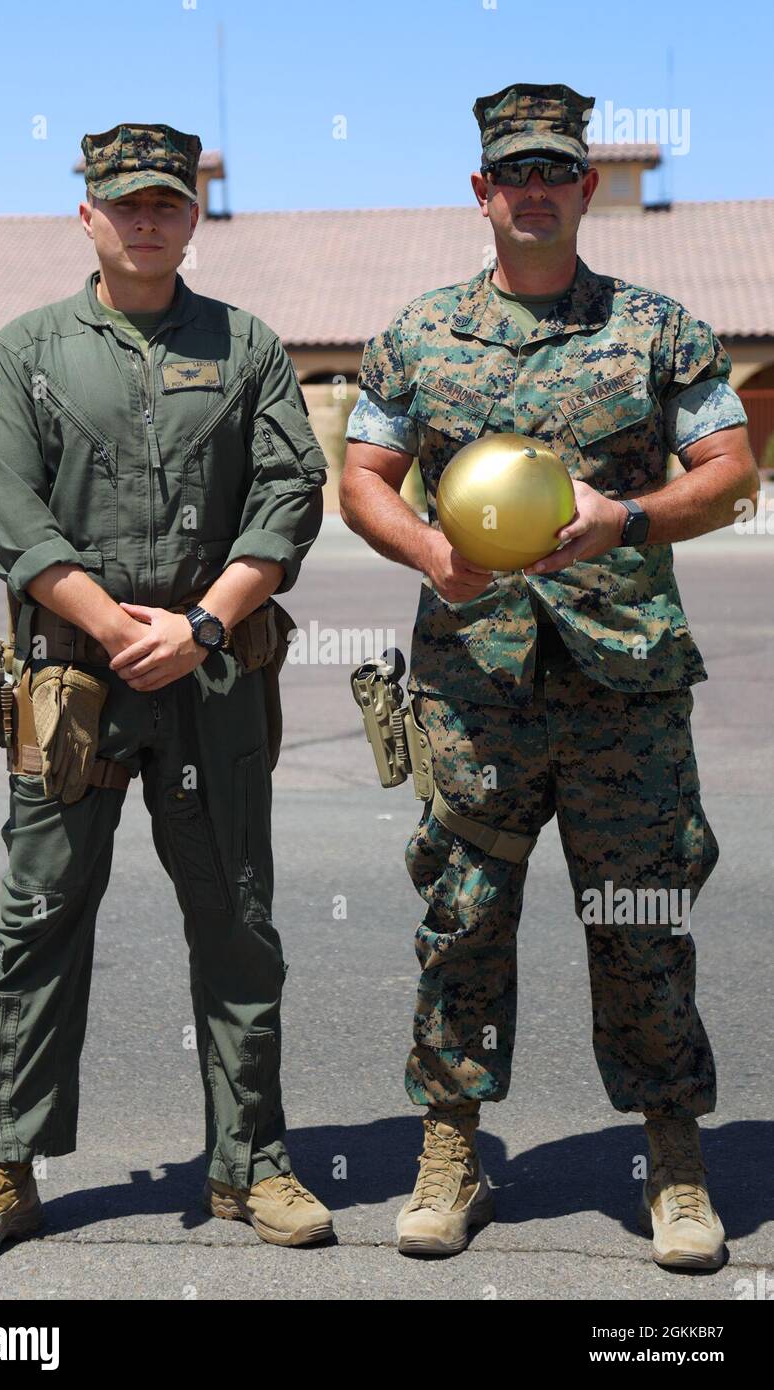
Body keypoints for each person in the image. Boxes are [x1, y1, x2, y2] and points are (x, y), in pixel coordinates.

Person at [340, 83, 759, 1266]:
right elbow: (362, 478)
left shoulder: (655, 327)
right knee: (461, 918)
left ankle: (673, 1162)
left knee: (642, 918)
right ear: (482, 191)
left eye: (553, 172)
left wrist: (625, 519)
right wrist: (430, 550)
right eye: (510, 173)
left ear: (584, 187)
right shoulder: (417, 334)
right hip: (472, 680)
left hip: (621, 678)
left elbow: (727, 470)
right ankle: (449, 1153)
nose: (532, 190)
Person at [0, 123, 332, 1267]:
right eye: (126, 202)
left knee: (238, 920)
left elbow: (291, 495)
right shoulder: (30, 349)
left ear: (194, 213)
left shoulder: (245, 347)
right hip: (72, 689)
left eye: (169, 200)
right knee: (39, 921)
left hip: (210, 677)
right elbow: (6, 512)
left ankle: (251, 1162)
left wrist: (202, 620)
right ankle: (5, 1164)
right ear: (88, 213)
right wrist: (112, 627)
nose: (148, 218)